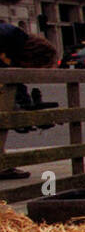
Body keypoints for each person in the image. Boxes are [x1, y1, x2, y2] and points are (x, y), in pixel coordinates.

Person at [0, 22, 58, 180]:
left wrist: (26, 111)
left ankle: (2, 165)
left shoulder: (13, 47)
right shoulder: (10, 38)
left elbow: (15, 83)